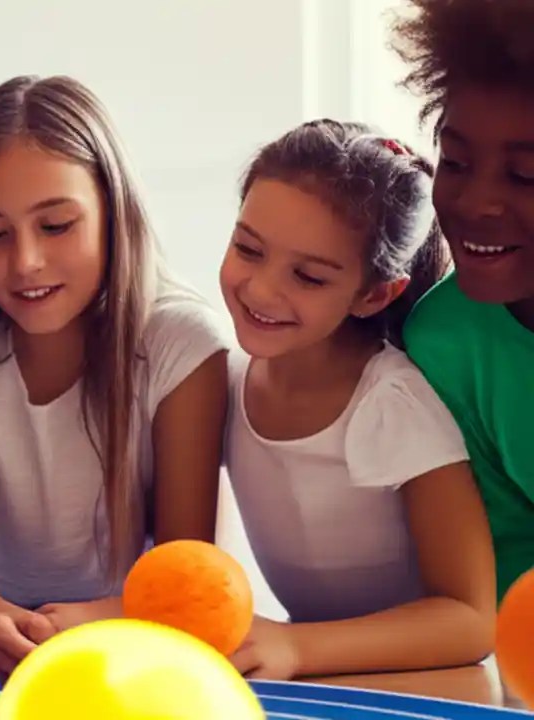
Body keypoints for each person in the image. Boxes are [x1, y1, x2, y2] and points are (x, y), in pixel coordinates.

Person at [0, 75, 229, 674]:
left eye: (56, 226)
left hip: (134, 648)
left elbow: (187, 572)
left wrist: (103, 617)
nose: (25, 261)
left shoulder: (182, 344)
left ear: (113, 212)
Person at [221, 119, 494, 680]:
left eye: (309, 277)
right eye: (248, 248)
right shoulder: (225, 379)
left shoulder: (392, 403)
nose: (262, 289)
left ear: (374, 294)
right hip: (316, 682)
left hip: (422, 687)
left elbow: (470, 619)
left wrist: (296, 648)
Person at [395, 0, 534, 607]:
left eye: (526, 176)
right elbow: (513, 583)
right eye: (455, 162)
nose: (477, 202)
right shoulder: (446, 339)